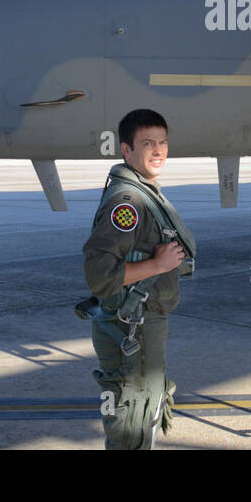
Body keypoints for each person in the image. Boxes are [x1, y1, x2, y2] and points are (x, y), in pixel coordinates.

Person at [80, 108, 196, 449]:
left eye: (162, 142)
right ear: (126, 150)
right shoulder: (128, 201)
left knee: (144, 414)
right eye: (148, 143)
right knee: (132, 420)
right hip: (131, 329)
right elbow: (99, 276)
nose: (159, 151)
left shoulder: (144, 191)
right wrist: (158, 266)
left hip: (141, 325)